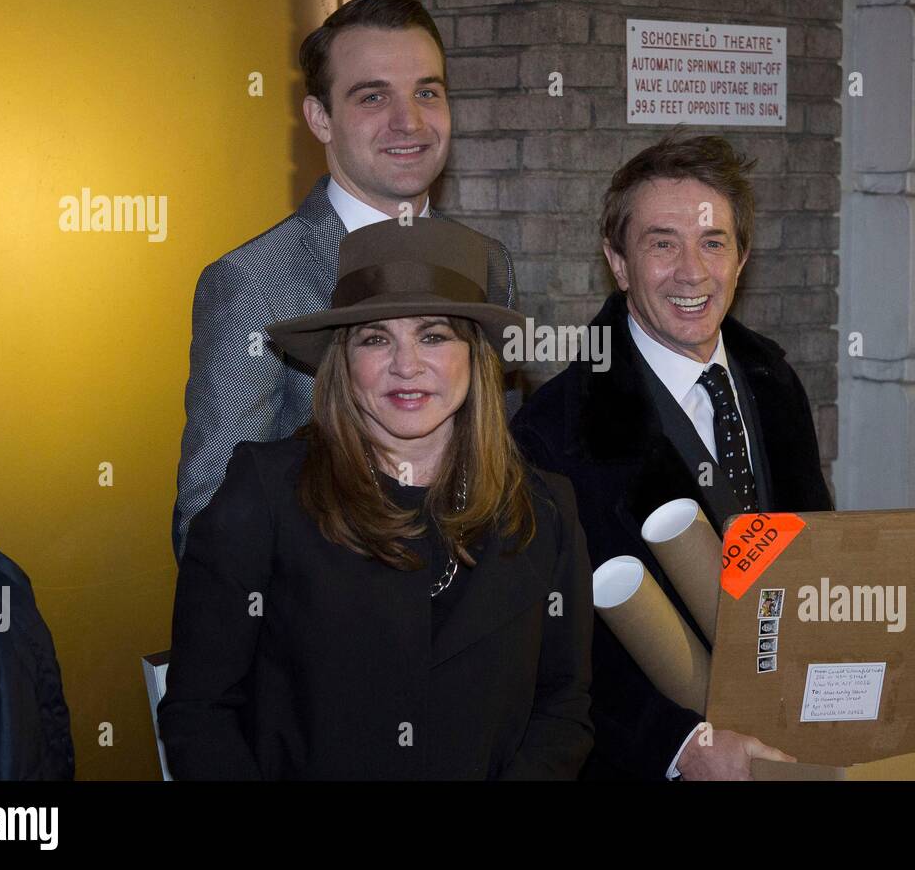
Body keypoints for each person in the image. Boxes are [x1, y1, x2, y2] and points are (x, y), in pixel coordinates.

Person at [158, 218, 592, 780]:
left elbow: (563, 709)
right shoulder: (264, 495)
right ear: (343, 361)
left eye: (433, 335)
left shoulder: (543, 511)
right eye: (376, 338)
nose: (406, 365)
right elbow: (200, 710)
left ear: (476, 355)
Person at [510, 133, 833, 781]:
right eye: (662, 243)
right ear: (619, 262)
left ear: (742, 258)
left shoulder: (776, 384)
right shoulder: (553, 429)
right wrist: (684, 747)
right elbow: (548, 650)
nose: (692, 271)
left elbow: (815, 556)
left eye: (713, 242)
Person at [172, 0, 516, 560]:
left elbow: (494, 464)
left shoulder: (488, 261)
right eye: (373, 96)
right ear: (320, 118)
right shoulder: (253, 282)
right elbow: (211, 527)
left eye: (427, 92)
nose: (409, 121)